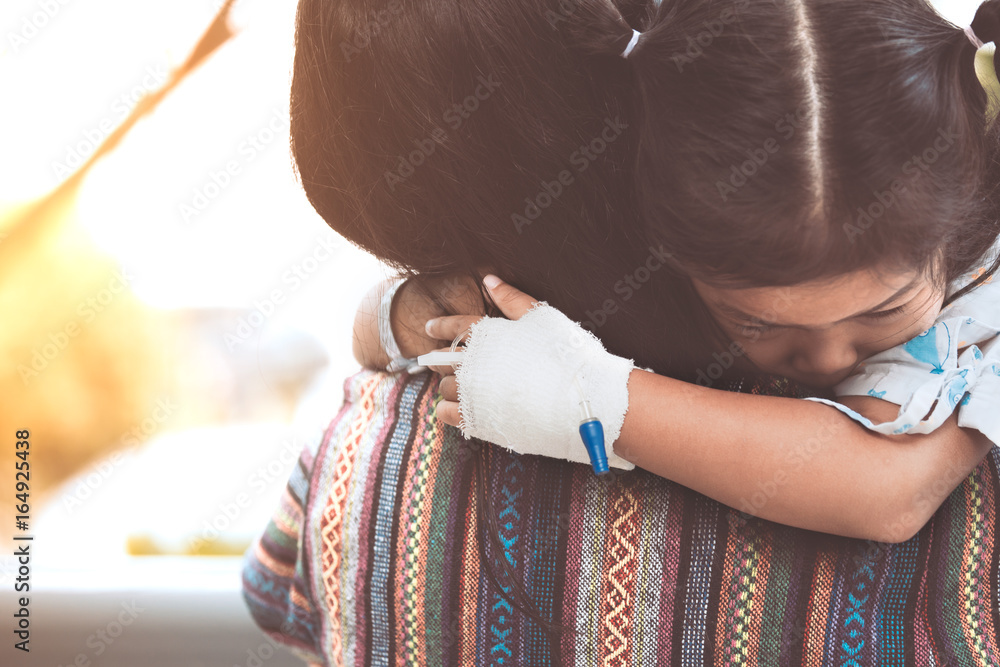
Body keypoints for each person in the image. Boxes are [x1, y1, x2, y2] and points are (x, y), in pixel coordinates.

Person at [243, 0, 1000, 664]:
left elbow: (888, 491)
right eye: (759, 322)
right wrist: (407, 315)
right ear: (673, 234)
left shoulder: (370, 450)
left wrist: (593, 397)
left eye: (882, 311)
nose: (828, 358)